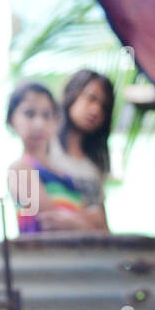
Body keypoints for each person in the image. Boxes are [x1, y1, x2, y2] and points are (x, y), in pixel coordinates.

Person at [6, 81, 106, 234]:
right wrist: (87, 222)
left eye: (46, 115)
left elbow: (102, 224)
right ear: (11, 120)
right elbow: (50, 221)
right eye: (29, 114)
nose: (39, 124)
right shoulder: (19, 169)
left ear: (56, 122)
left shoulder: (64, 175)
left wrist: (77, 221)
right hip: (41, 257)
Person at [48, 69, 114, 230]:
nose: (96, 110)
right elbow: (36, 220)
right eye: (91, 98)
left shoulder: (95, 164)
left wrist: (78, 221)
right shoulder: (45, 150)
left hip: (91, 252)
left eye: (104, 107)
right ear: (72, 94)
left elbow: (104, 227)